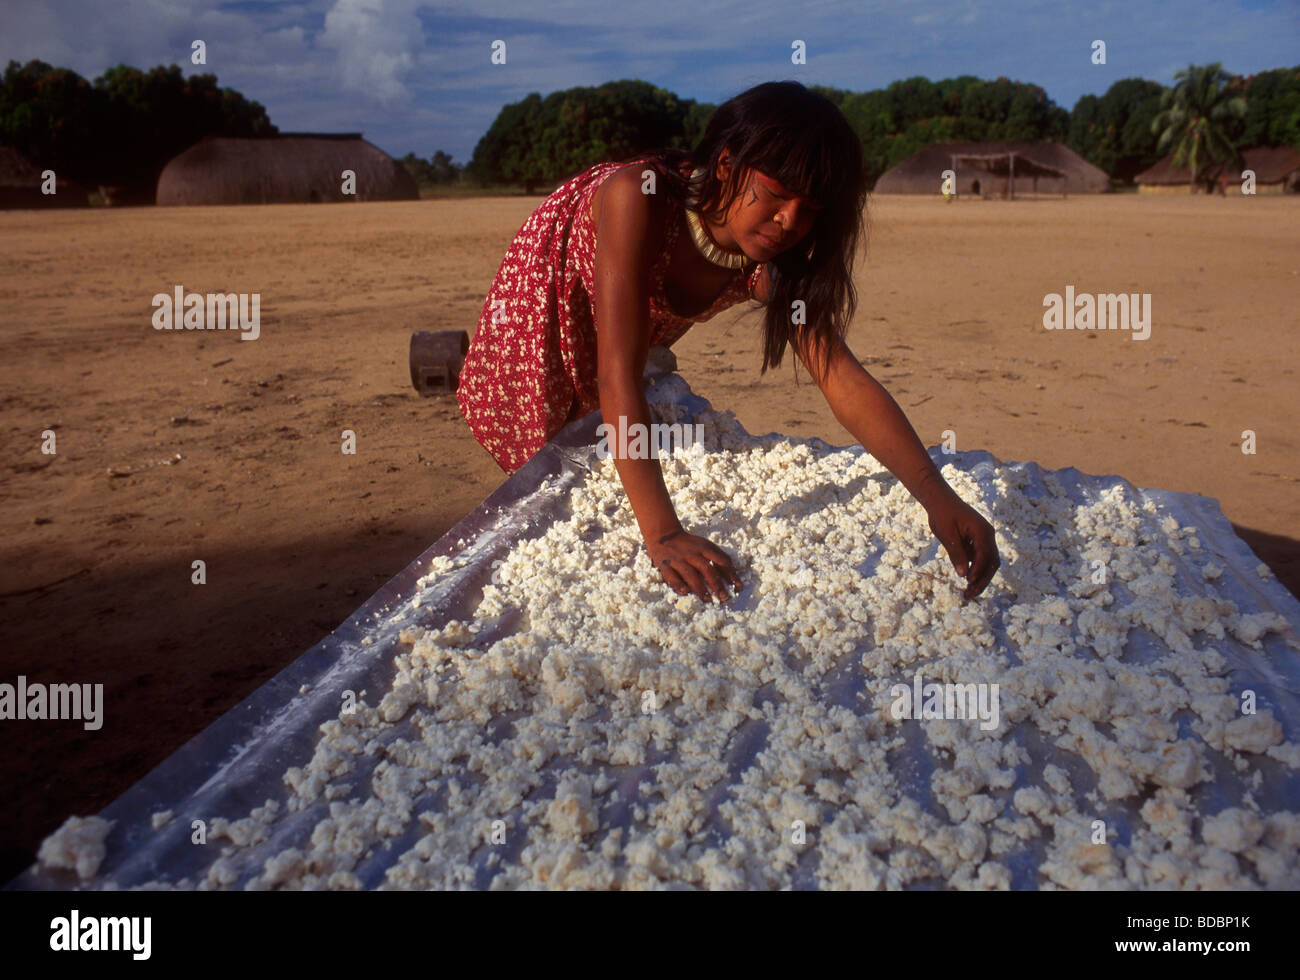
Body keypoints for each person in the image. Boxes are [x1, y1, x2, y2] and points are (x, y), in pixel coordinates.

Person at [457, 81, 1000, 605]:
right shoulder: (637, 198)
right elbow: (616, 374)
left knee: (600, 446)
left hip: (621, 339)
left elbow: (841, 376)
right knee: (551, 472)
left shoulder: (770, 267)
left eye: (809, 210)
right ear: (725, 166)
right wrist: (663, 533)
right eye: (777, 195)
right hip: (541, 319)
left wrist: (936, 494)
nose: (788, 221)